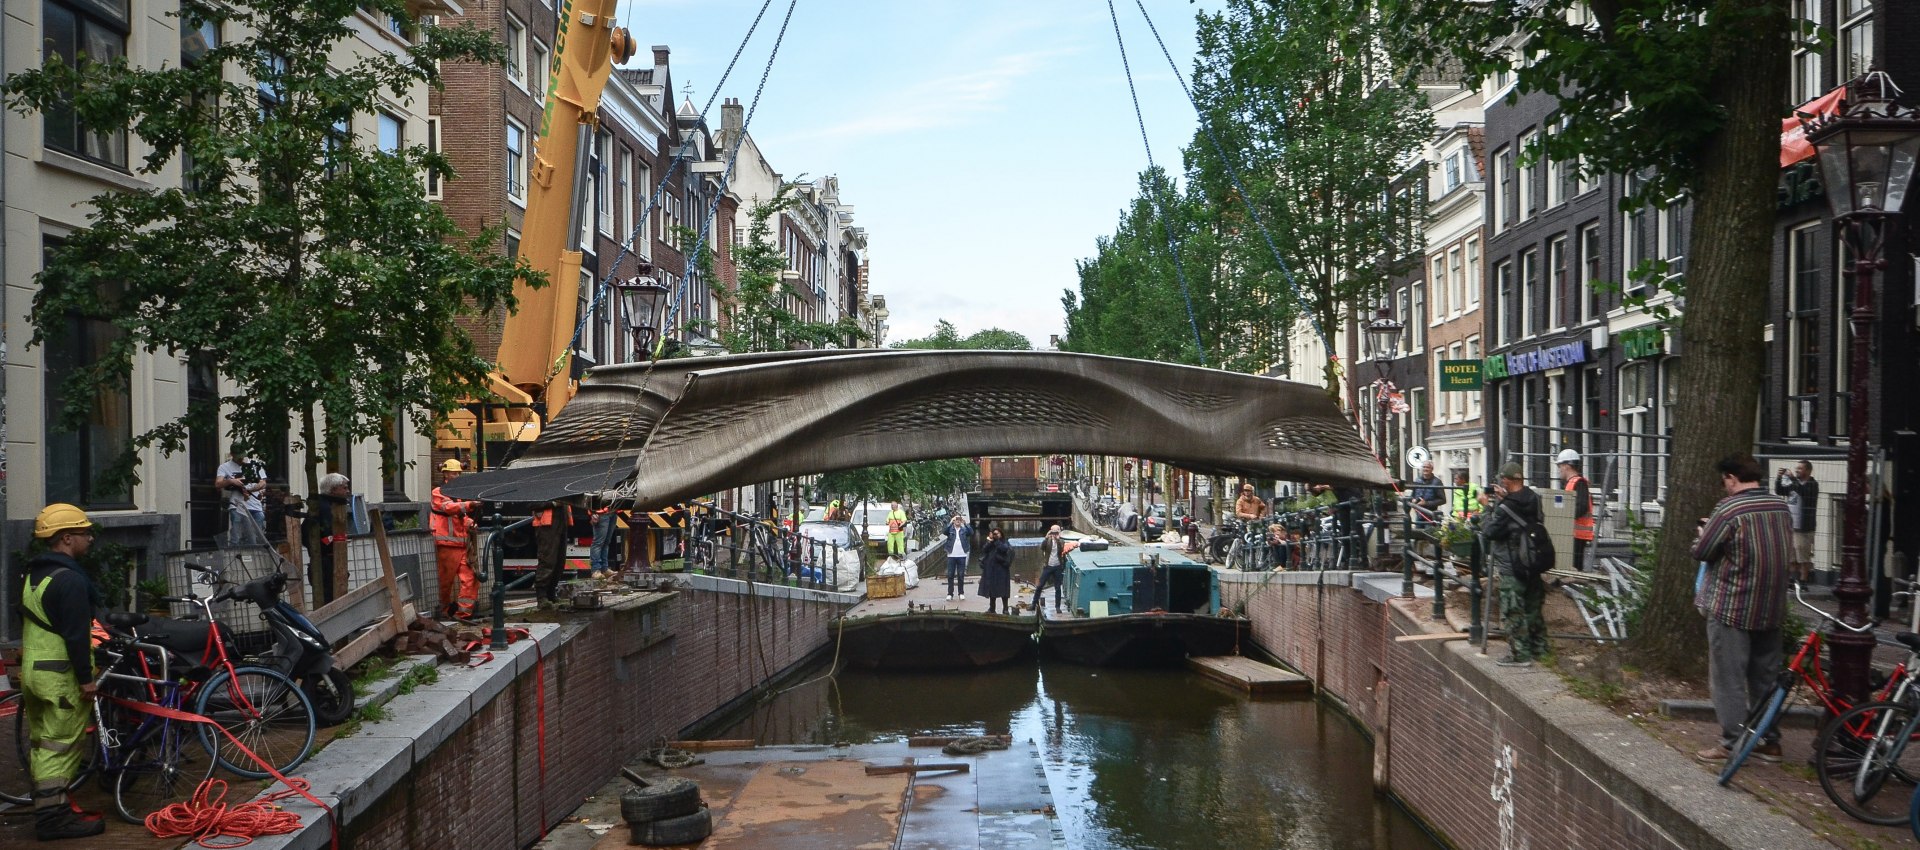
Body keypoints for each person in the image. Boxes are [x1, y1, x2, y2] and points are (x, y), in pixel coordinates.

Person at [1693, 453, 1794, 765]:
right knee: (1765, 676)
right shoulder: (1780, 506)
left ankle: (1733, 742)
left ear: (1731, 478)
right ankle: (1770, 741)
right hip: (1771, 606)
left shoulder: (1729, 508)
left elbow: (1704, 550)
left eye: (1724, 480)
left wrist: (1701, 533)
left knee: (1728, 678)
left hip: (1733, 606)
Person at [20, 504, 107, 840]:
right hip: (60, 677)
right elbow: (75, 634)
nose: (90, 538)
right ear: (66, 538)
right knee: (63, 746)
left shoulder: (33, 575)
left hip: (33, 672)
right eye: (85, 533)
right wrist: (86, 679)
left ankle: (50, 808)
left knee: (44, 745)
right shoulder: (69, 580)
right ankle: (53, 820)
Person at [1483, 462, 1547, 667]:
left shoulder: (1505, 508)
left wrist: (1487, 507)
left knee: (1513, 612)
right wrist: (1505, 500)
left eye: (1503, 479)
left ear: (1507, 480)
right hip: (1533, 562)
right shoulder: (1534, 499)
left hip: (1512, 565)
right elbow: (1530, 518)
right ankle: (1540, 650)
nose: (1501, 482)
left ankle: (1520, 655)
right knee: (1533, 608)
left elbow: (1491, 532)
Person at [430, 460, 480, 619]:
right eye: (453, 473)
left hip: (460, 543)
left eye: (458, 473)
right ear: (445, 473)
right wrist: (470, 504)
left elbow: (460, 516)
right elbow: (449, 508)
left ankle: (463, 613)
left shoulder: (458, 493)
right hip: (446, 544)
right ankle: (445, 611)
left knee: (471, 578)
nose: (457, 476)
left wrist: (471, 523)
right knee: (446, 582)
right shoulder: (438, 492)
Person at [300, 473, 354, 605]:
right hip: (326, 563)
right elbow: (311, 535)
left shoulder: (329, 506)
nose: (348, 491)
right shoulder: (325, 509)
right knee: (330, 599)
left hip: (329, 560)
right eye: (344, 488)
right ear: (333, 489)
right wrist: (328, 544)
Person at [1775, 460, 1819, 583]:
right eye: (1796, 468)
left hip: (1804, 527)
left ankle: (1803, 581)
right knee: (1791, 556)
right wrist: (1779, 478)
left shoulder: (1812, 484)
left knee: (1803, 556)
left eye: (1800, 468)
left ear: (1808, 471)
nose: (1797, 470)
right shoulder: (1794, 483)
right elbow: (1780, 491)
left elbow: (1804, 492)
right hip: (1790, 526)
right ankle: (1791, 580)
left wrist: (1793, 479)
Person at [215, 447, 269, 546]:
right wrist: (232, 481)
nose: (240, 459)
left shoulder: (255, 464)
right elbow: (218, 484)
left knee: (256, 537)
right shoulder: (224, 467)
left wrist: (252, 489)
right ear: (232, 454)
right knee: (236, 536)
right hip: (237, 505)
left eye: (242, 456)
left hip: (255, 505)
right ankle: (235, 556)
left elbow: (263, 482)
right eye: (238, 457)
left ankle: (254, 555)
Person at [1555, 450, 1596, 571]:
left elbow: (1582, 507)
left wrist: (1564, 517)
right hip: (1573, 533)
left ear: (1566, 466)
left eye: (1560, 466)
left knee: (1575, 568)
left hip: (1578, 534)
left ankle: (1576, 586)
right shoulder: (1571, 483)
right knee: (1570, 566)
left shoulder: (1579, 483)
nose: (1559, 469)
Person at [533, 501, 573, 609]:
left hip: (560, 523)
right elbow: (531, 503)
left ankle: (550, 594)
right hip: (547, 527)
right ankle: (542, 597)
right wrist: (553, 503)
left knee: (559, 562)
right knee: (547, 560)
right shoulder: (537, 487)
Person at [978, 527, 1013, 614]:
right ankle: (992, 608)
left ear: (1001, 534)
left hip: (1001, 570)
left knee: (1003, 590)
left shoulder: (1004, 542)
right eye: (994, 534)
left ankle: (1005, 609)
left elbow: (1004, 549)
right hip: (991, 570)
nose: (995, 535)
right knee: (991, 590)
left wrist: (997, 541)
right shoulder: (991, 543)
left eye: (997, 534)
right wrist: (990, 541)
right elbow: (984, 550)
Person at [1033, 525, 1067, 615]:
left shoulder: (1061, 541)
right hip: (1048, 566)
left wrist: (1058, 539)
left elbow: (1061, 549)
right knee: (1040, 585)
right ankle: (1033, 603)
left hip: (1057, 566)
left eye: (1056, 532)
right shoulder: (1047, 541)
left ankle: (1057, 607)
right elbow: (1042, 547)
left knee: (1058, 588)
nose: (1054, 534)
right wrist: (1046, 537)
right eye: (1053, 532)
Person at [941, 514, 971, 601]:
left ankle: (961, 593)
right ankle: (950, 593)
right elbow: (944, 531)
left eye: (959, 519)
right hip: (951, 555)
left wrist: (965, 523)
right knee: (950, 574)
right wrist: (951, 522)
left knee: (961, 575)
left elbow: (971, 532)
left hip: (962, 554)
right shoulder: (950, 529)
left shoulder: (964, 529)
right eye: (956, 519)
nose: (958, 521)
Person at [589, 502, 625, 574]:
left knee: (605, 542)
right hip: (602, 513)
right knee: (598, 543)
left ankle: (604, 568)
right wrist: (593, 512)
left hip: (612, 511)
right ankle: (596, 570)